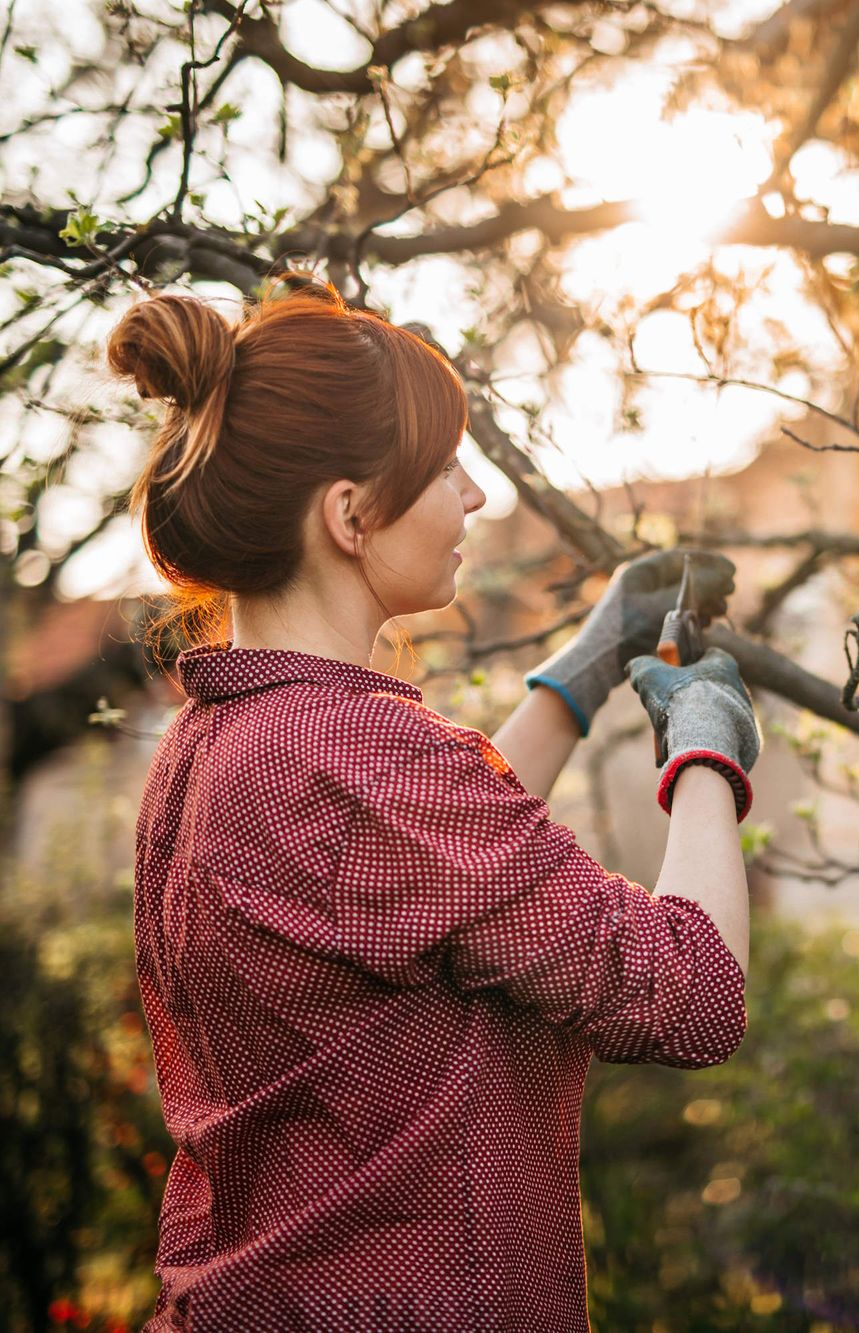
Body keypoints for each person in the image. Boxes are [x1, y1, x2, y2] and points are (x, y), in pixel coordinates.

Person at [112, 278, 762, 1332]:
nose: (475, 496)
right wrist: (705, 749)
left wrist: (583, 672)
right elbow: (690, 994)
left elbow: (424, 877)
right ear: (351, 514)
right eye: (444, 468)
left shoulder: (214, 744)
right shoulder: (362, 758)